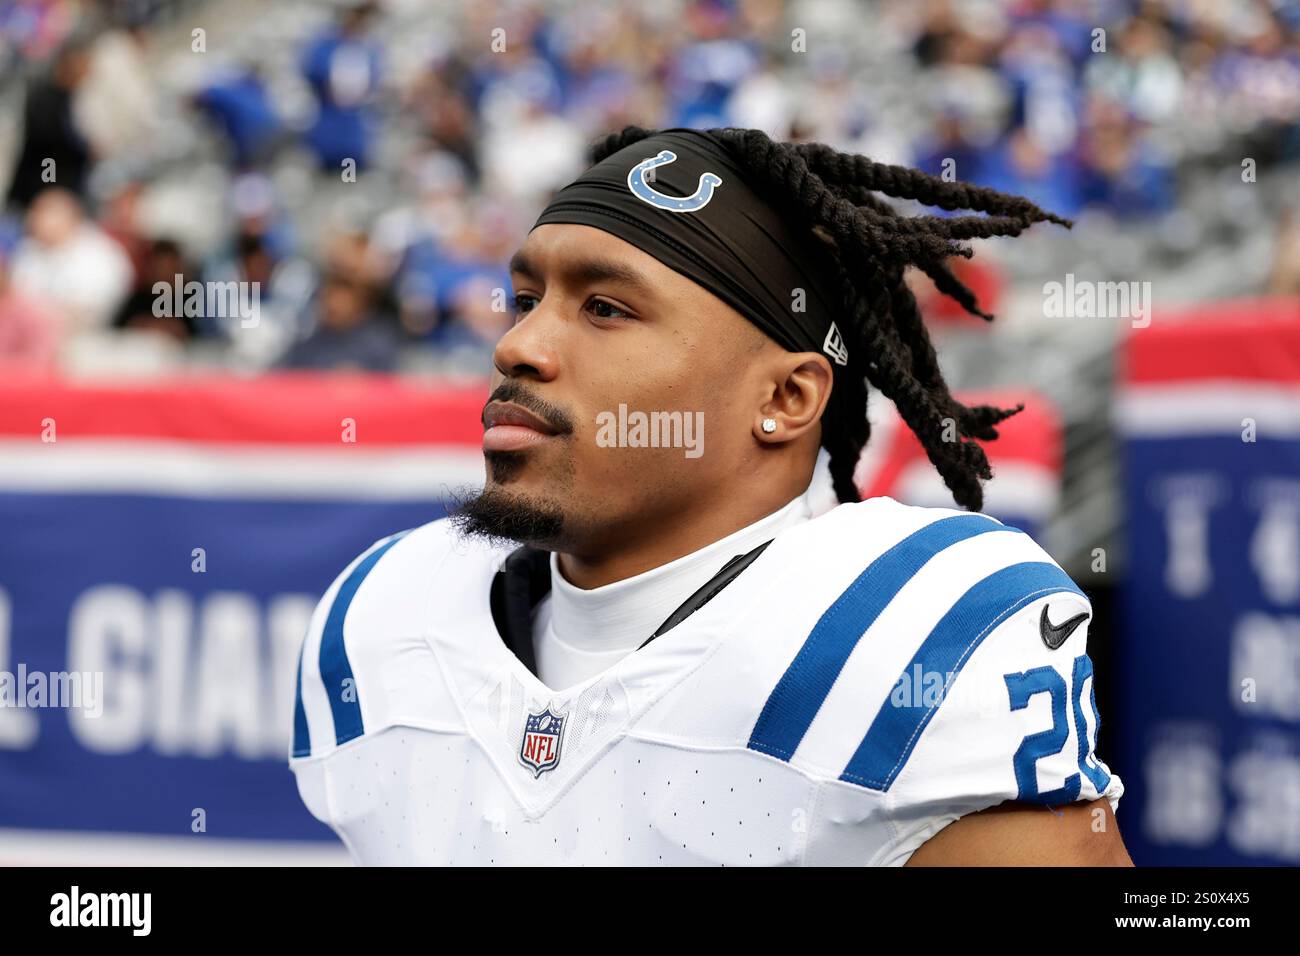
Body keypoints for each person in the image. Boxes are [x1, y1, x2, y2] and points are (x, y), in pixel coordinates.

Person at [289, 125, 1130, 866]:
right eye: (525, 298)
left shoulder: (894, 638)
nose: (518, 345)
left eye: (607, 308)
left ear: (786, 399)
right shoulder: (382, 621)